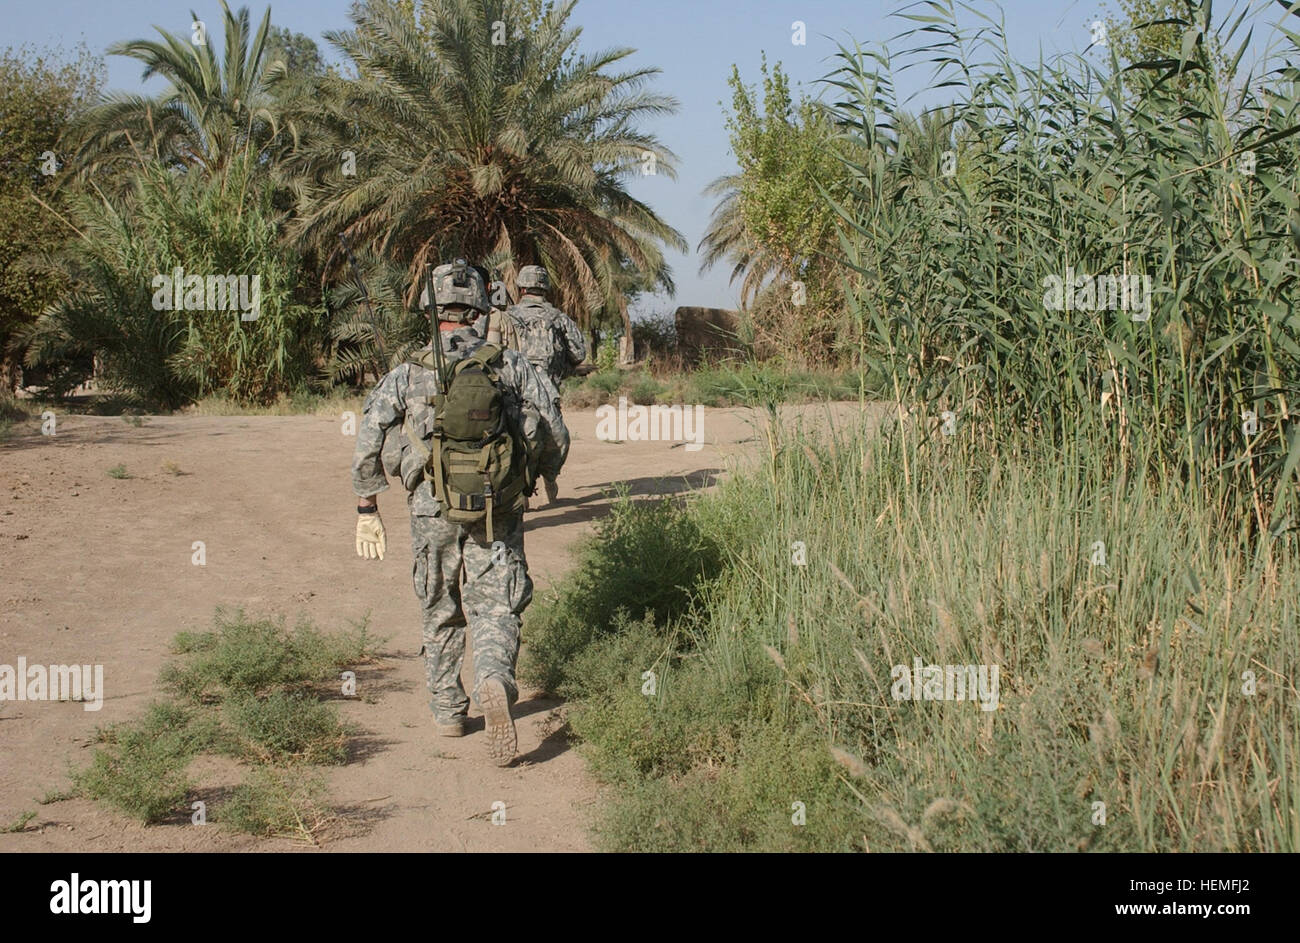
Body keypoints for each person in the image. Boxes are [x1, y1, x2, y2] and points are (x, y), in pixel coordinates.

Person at [351, 261, 569, 766]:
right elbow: (556, 432)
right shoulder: (510, 365)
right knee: (496, 603)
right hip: (500, 502)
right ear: (480, 308)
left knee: (439, 602)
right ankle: (494, 678)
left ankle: (449, 709)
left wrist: (367, 502)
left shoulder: (407, 371)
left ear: (430, 307)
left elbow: (367, 440)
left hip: (430, 505)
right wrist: (543, 471)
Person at [501, 265, 586, 504]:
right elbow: (579, 353)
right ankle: (548, 477)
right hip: (548, 390)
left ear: (521, 287)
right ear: (545, 288)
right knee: (555, 436)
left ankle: (521, 487)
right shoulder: (558, 318)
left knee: (517, 436)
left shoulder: (507, 317)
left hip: (514, 391)